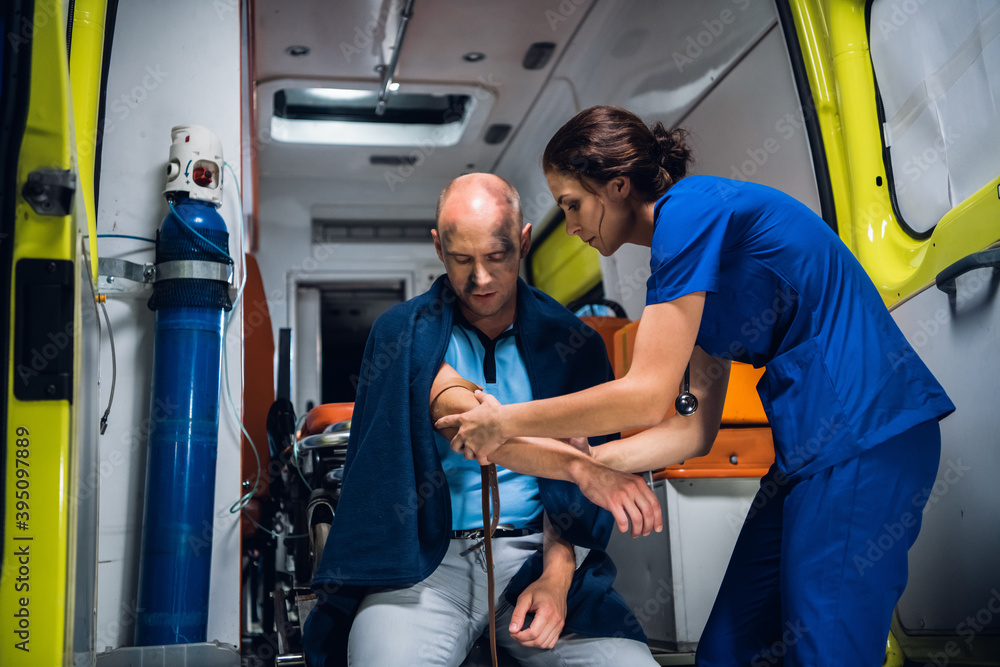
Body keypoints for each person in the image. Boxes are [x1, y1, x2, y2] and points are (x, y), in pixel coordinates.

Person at [436, 106, 956, 666]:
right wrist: (588, 465)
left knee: (826, 650)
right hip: (808, 455)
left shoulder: (689, 212)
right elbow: (691, 431)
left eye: (573, 204)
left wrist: (504, 421)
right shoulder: (681, 271)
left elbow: (646, 395)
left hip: (866, 433)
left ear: (616, 185)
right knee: (728, 651)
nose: (573, 225)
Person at [302, 172, 661, 667]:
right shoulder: (401, 333)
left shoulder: (574, 344)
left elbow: (576, 504)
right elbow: (466, 420)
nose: (482, 279)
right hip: (424, 565)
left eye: (497, 256)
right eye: (462, 259)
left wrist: (556, 581)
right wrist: (582, 466)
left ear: (525, 241)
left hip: (540, 555)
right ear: (437, 248)